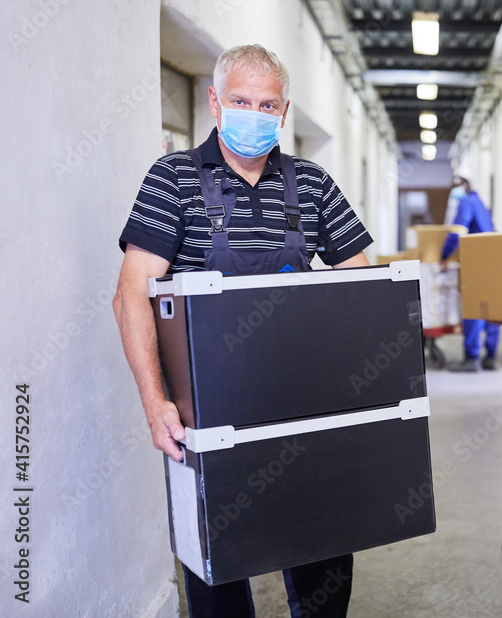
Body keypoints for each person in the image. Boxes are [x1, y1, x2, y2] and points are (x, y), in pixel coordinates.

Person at [112, 44, 369, 617]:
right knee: (218, 572)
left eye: (268, 104)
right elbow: (130, 295)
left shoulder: (312, 183)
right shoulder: (172, 179)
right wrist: (155, 403)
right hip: (206, 417)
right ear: (214, 103)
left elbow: (366, 289)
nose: (255, 113)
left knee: (323, 556)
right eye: (241, 101)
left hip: (303, 409)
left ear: (283, 112)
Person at [441, 176, 500, 372]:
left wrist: (444, 255)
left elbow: (458, 230)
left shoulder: (466, 202)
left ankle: (471, 357)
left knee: (474, 308)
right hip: (493, 259)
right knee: (491, 308)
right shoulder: (481, 203)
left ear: (464, 187)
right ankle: (490, 356)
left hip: (477, 261)